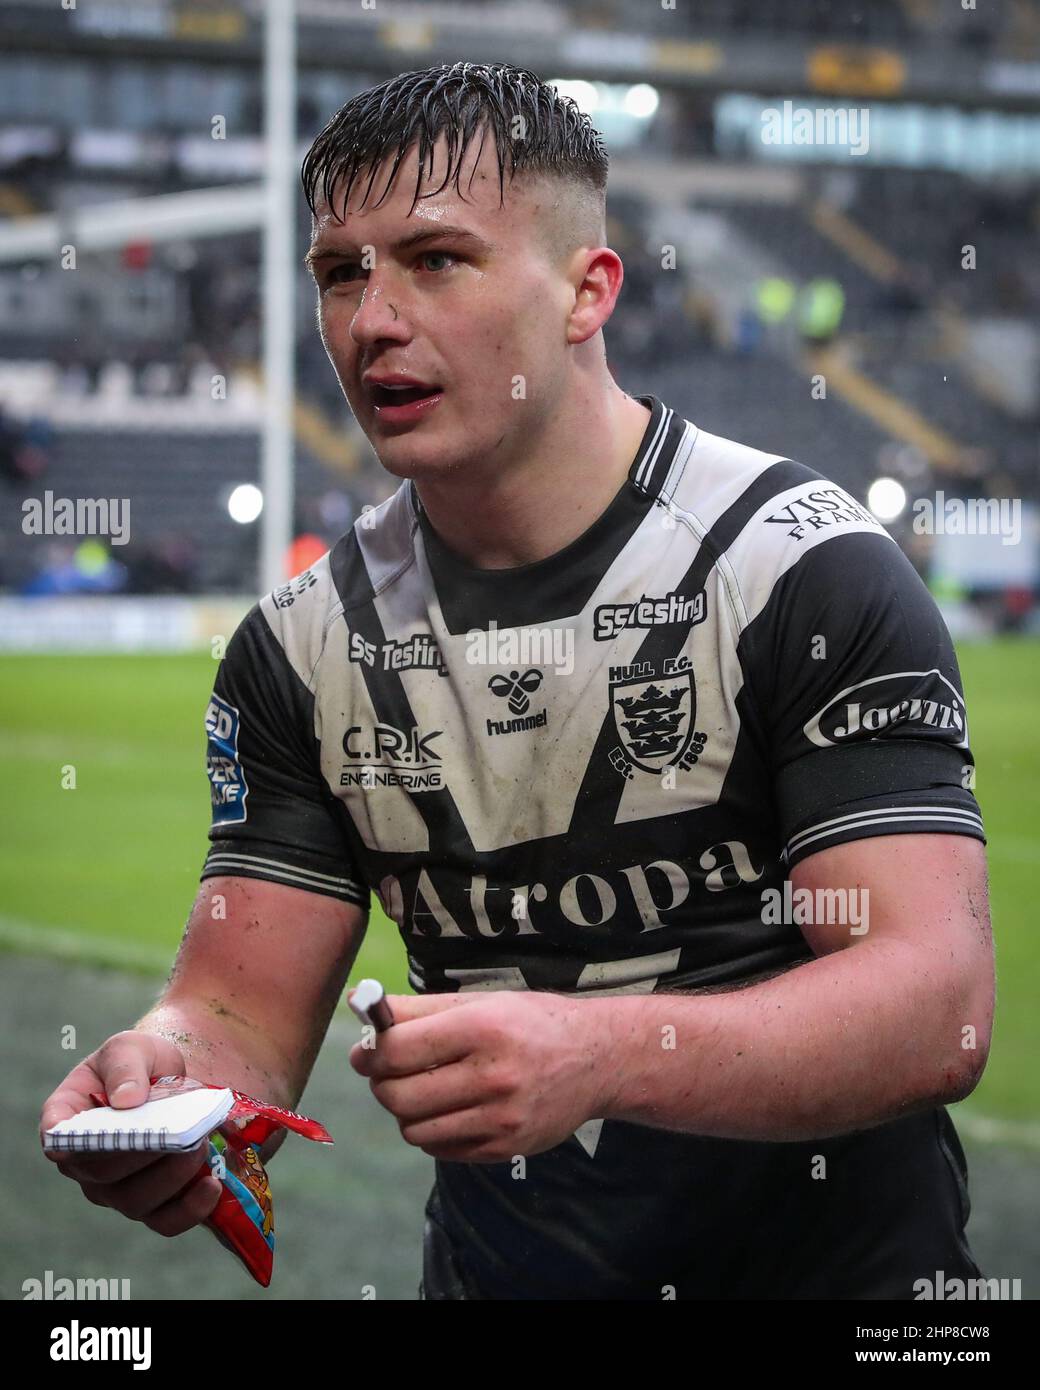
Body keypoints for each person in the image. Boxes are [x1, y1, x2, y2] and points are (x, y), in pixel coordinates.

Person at [41, 61, 994, 1301]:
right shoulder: (297, 649)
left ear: (585, 290)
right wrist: (164, 1076)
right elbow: (237, 1014)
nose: (373, 317)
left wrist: (597, 1054)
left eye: (435, 259)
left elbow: (935, 1008)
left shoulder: (800, 572)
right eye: (341, 272)